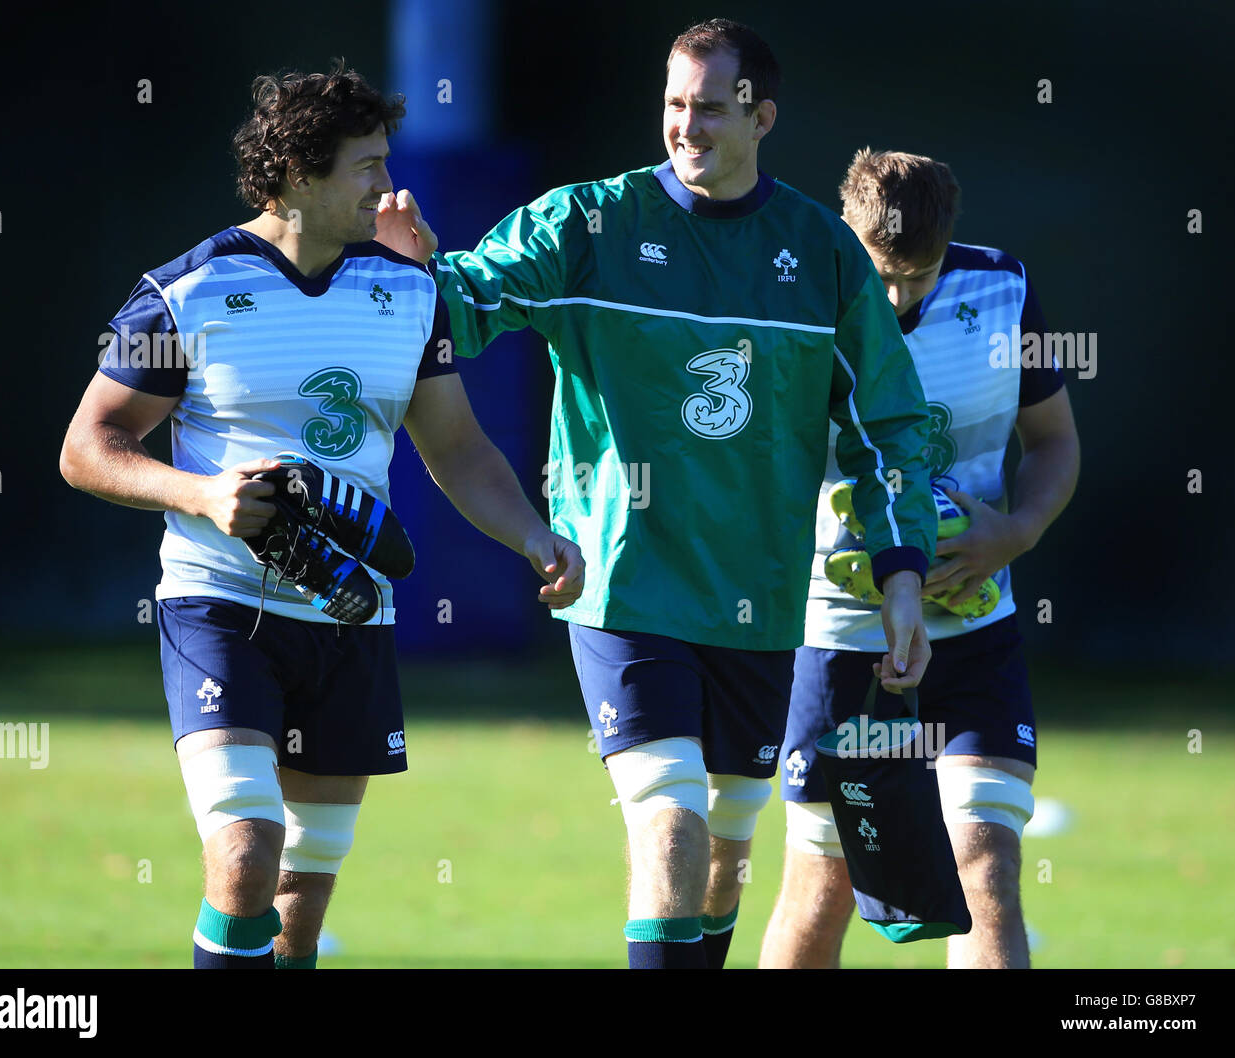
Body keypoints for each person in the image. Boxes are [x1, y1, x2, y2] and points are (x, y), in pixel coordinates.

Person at [374, 19, 936, 970]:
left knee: (723, 854)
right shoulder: (587, 224)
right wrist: (411, 268)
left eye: (711, 108)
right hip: (623, 586)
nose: (686, 126)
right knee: (670, 825)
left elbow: (888, 425)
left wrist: (905, 573)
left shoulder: (824, 255)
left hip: (756, 603)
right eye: (674, 105)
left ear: (761, 116)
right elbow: (464, 305)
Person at [58, 62, 583, 969]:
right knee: (246, 856)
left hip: (351, 616)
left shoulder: (411, 294)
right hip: (219, 608)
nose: (389, 185)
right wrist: (201, 495)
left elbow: (457, 447)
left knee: (301, 901)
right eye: (368, 166)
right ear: (299, 171)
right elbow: (87, 448)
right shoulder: (181, 293)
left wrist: (534, 536)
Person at [759, 149, 1081, 969]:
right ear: (848, 237)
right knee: (822, 886)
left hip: (973, 632)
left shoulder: (1002, 291)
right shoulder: (797, 303)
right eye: (882, 278)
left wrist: (1017, 531)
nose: (899, 301)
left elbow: (1053, 445)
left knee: (986, 865)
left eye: (920, 276)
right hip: (839, 639)